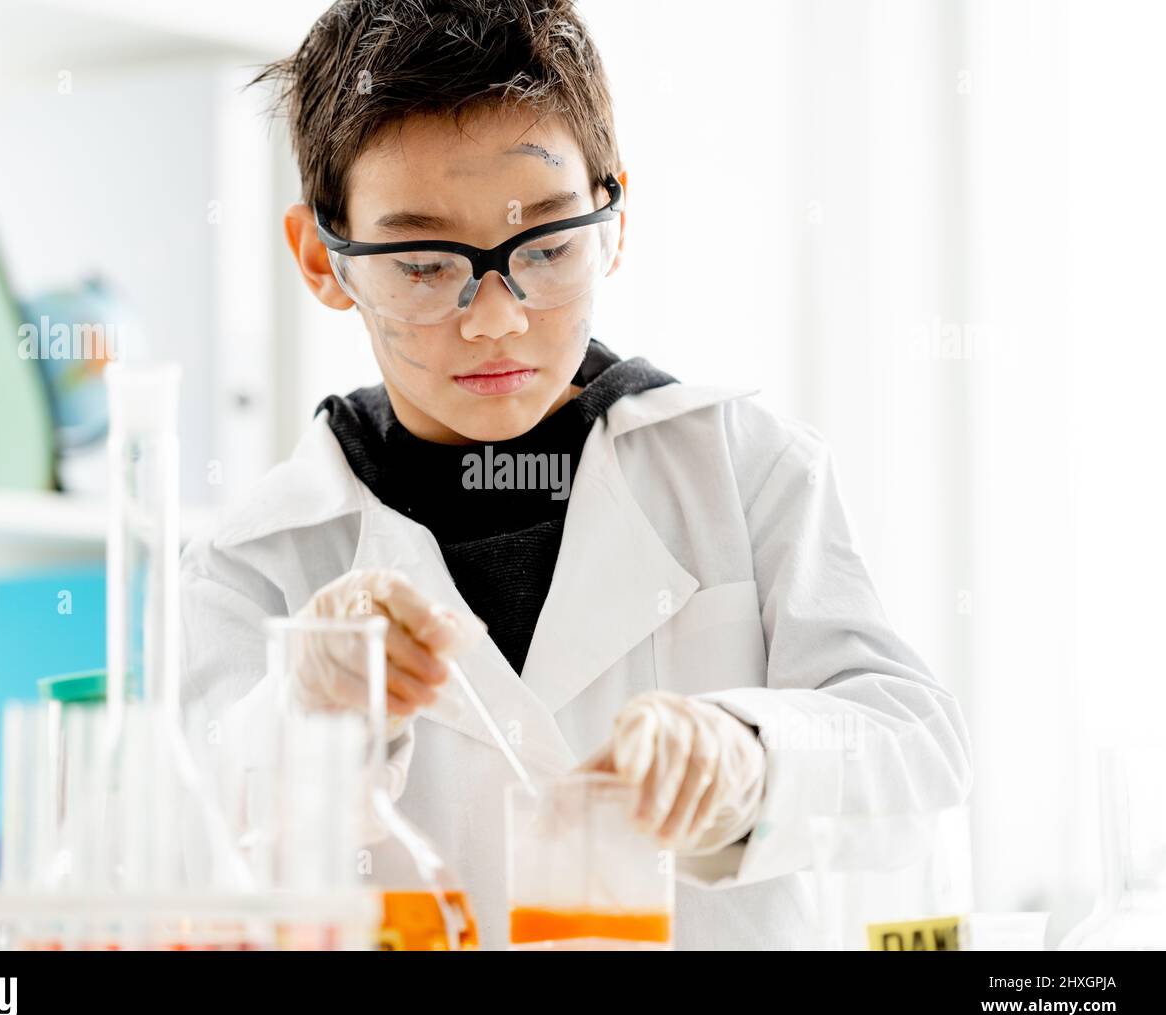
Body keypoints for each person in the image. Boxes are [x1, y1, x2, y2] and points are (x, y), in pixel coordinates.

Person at [180, 0, 972, 950]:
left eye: (548, 247)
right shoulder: (254, 562)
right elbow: (189, 862)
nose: (496, 319)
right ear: (322, 258)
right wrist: (304, 706)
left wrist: (747, 755)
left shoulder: (747, 469)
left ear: (615, 222)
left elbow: (918, 756)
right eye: (425, 265)